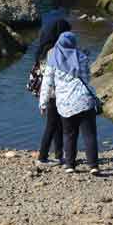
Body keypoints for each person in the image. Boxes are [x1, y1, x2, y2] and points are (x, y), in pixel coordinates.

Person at [39, 31, 100, 175]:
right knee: (89, 135)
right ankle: (93, 166)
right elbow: (87, 78)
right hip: (85, 100)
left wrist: (43, 103)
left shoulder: (53, 59)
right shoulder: (81, 57)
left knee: (69, 134)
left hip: (66, 103)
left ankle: (70, 165)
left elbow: (47, 83)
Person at [31, 17, 71, 166]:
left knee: (56, 125)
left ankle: (59, 155)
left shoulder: (43, 49)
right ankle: (42, 157)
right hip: (55, 93)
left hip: (48, 93)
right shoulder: (54, 51)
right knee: (53, 125)